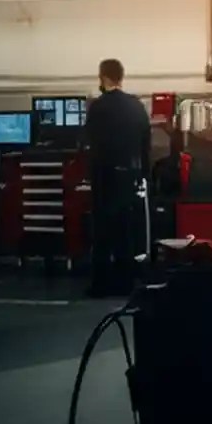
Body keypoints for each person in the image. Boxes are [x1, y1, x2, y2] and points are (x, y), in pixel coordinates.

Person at [84, 58, 151, 297]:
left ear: (103, 77)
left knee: (103, 234)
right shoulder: (137, 106)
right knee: (126, 232)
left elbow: (90, 144)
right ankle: (126, 283)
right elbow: (146, 145)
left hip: (105, 177)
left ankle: (101, 285)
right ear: (121, 77)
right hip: (130, 177)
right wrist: (143, 176)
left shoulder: (98, 107)